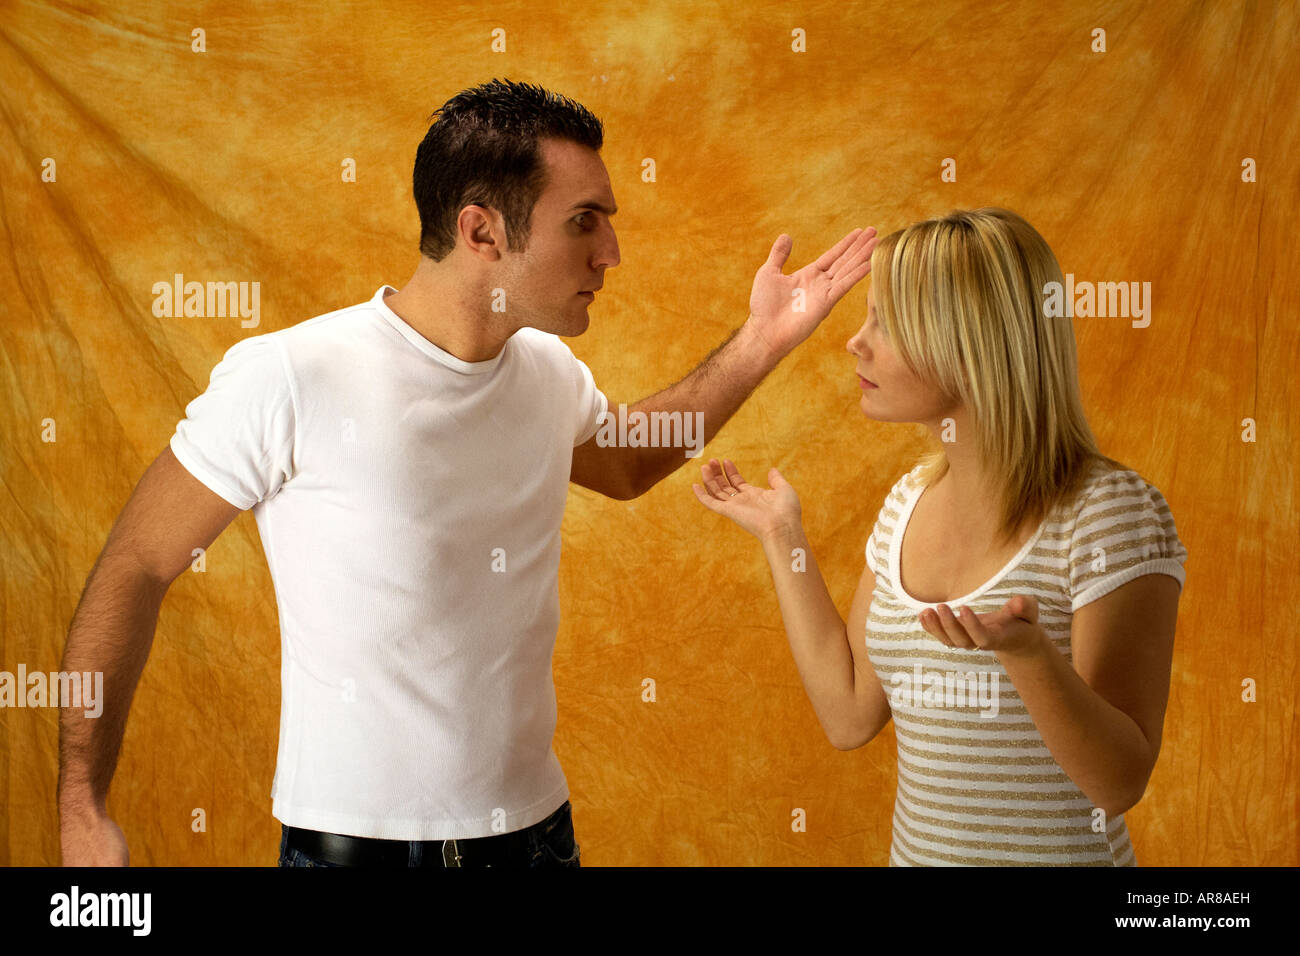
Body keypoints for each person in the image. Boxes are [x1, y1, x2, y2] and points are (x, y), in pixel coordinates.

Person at [56, 78, 878, 867]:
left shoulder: (549, 375)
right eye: (584, 221)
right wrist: (80, 806)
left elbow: (629, 461)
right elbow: (138, 564)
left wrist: (764, 339)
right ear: (481, 232)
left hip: (534, 839)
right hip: (355, 850)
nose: (612, 252)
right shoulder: (291, 377)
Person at [693, 207, 1187, 865]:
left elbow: (1119, 782)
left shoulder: (1109, 513)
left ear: (971, 341)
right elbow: (849, 715)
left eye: (885, 323)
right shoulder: (906, 504)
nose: (855, 343)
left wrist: (1030, 656)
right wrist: (784, 536)